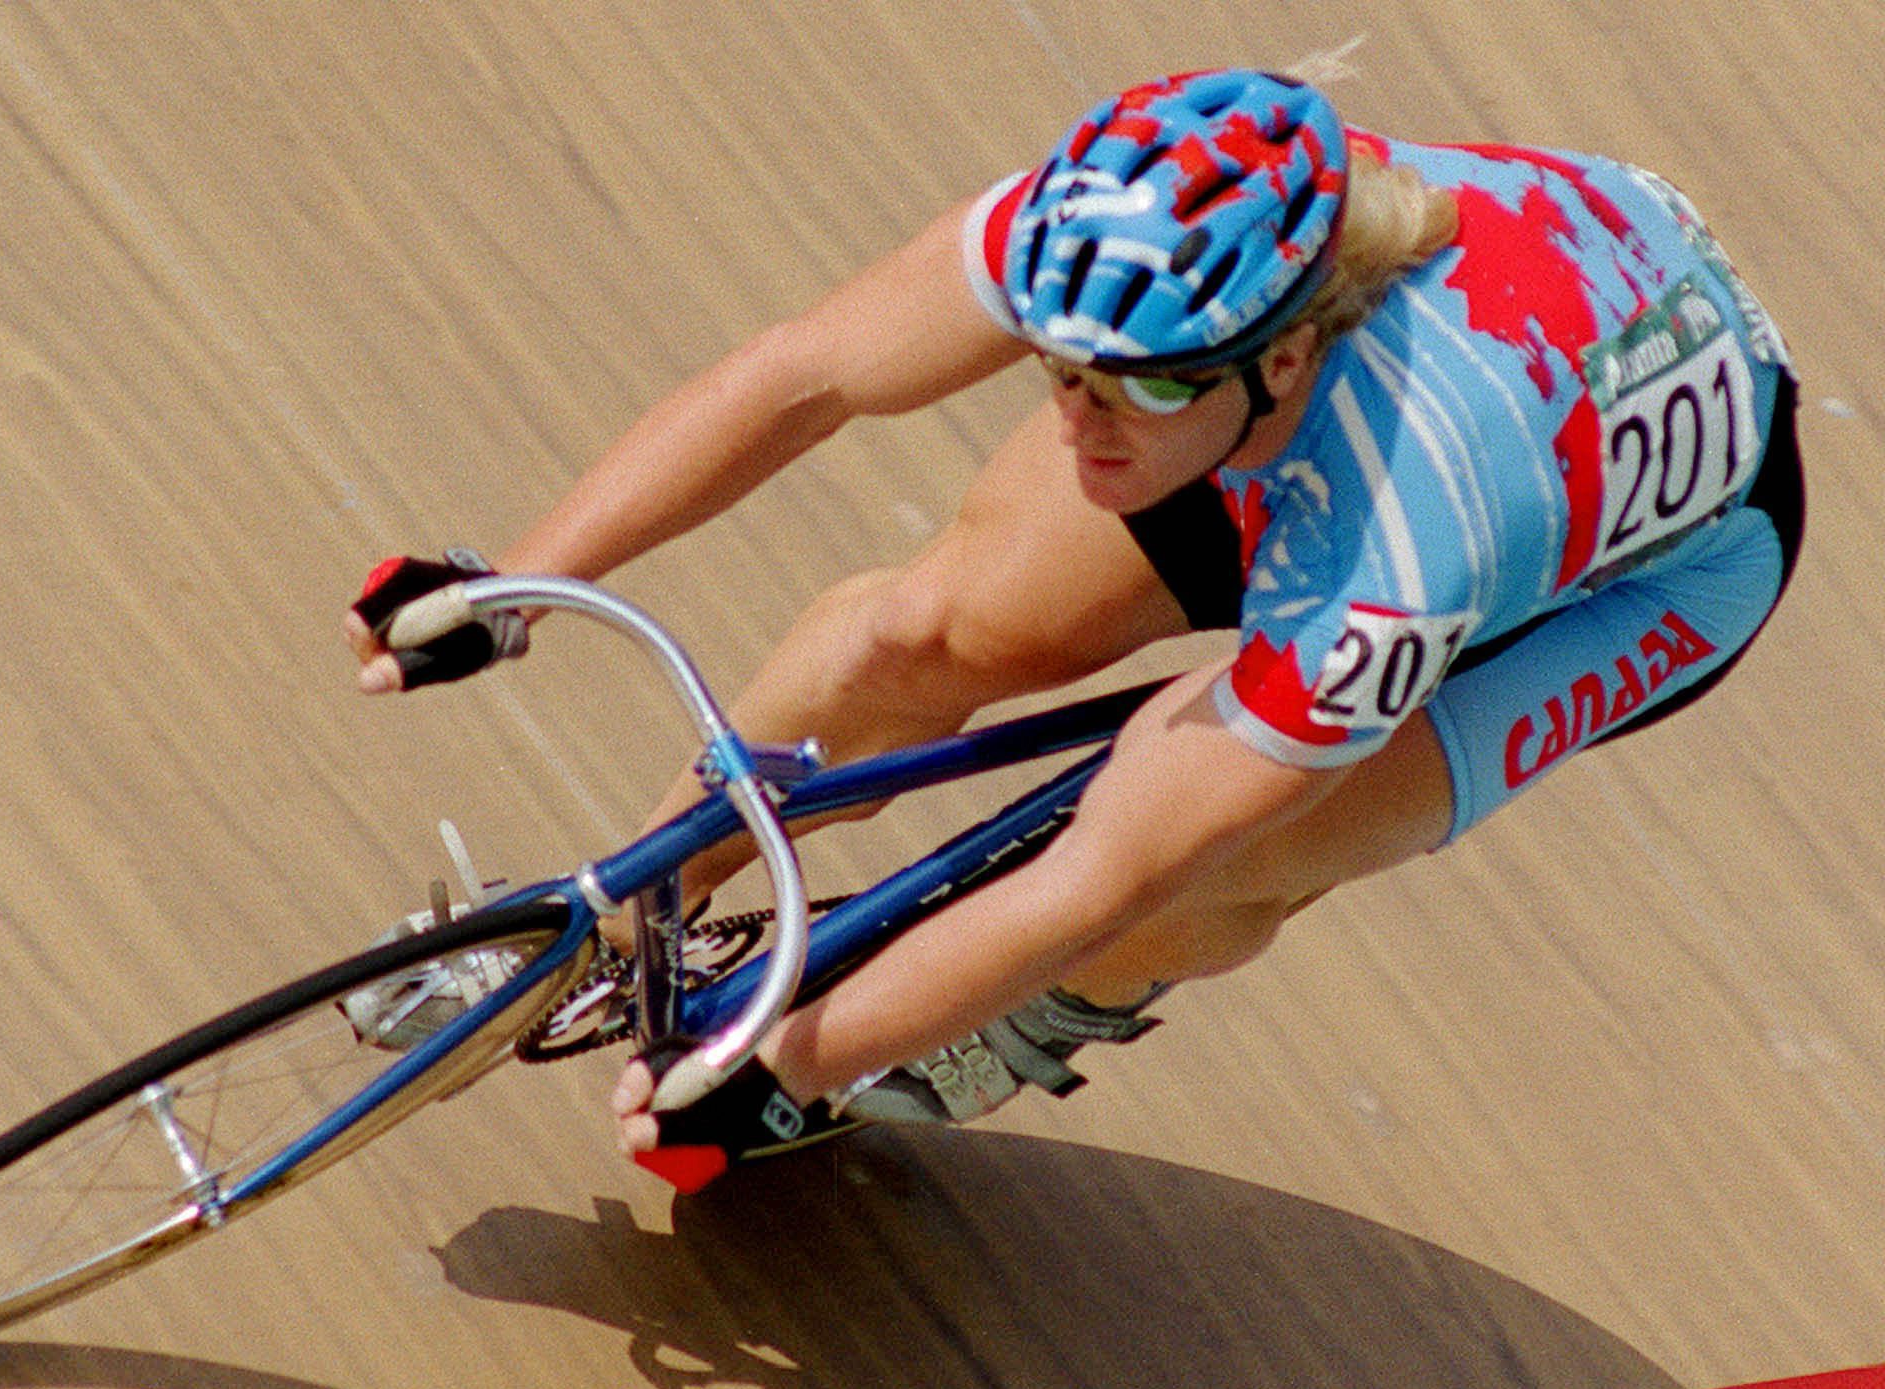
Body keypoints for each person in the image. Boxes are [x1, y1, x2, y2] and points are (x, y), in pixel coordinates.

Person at [347, 68, 1802, 1181]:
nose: (1083, 417)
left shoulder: (1406, 532)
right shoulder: (1128, 240)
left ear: (1280, 351)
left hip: (1627, 566)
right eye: (1055, 366)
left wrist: (801, 1059)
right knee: (916, 636)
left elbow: (1094, 879)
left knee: (1202, 860)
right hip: (1358, 396)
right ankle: (622, 923)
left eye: (1139, 385)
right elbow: (802, 378)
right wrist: (509, 584)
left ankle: (1030, 1024)